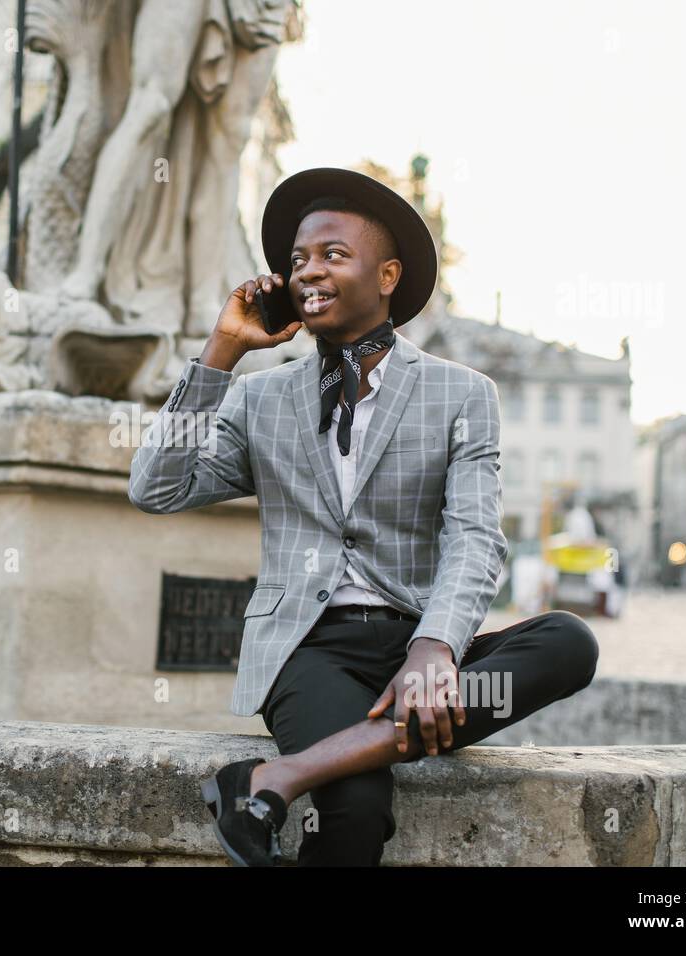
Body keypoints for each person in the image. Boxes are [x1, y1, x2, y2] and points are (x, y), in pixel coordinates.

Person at [129, 166, 600, 866]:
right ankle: (318, 767)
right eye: (296, 261)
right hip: (308, 651)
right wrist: (221, 353)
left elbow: (474, 537)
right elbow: (156, 487)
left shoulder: (461, 394)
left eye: (332, 255)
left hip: (417, 641)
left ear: (387, 276)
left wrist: (435, 649)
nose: (307, 272)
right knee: (355, 808)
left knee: (569, 641)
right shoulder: (261, 401)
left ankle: (275, 779)